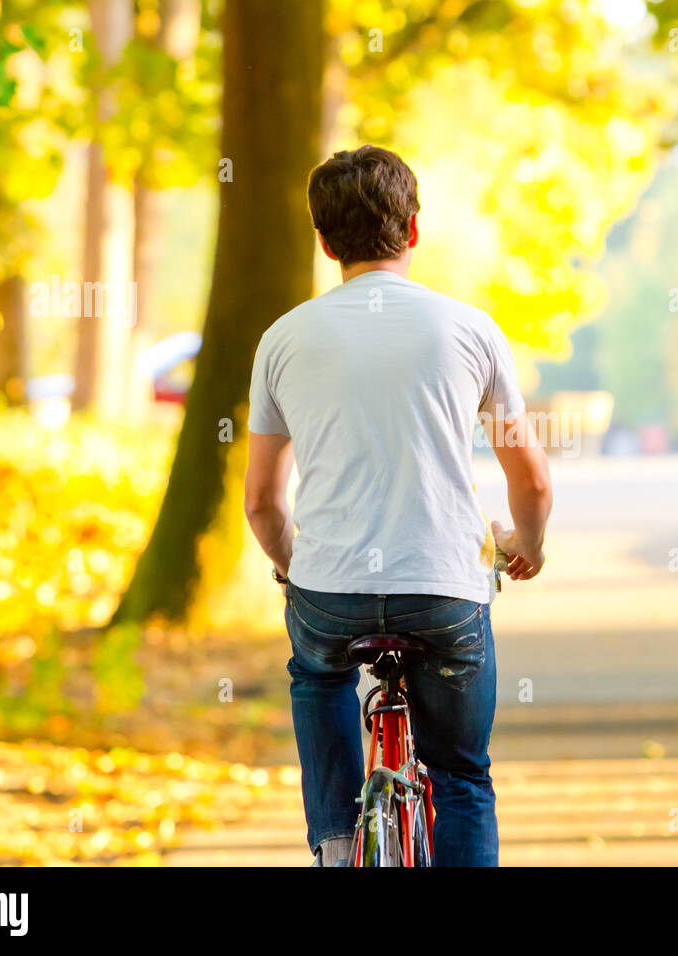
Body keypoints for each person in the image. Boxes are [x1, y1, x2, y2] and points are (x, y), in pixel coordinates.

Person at [243, 145, 553, 866]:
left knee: (316, 674)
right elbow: (531, 480)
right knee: (462, 776)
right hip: (445, 586)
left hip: (331, 590)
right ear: (413, 230)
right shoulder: (472, 331)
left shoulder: (283, 340)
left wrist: (297, 566)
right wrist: (526, 545)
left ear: (324, 243)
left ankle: (337, 838)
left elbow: (262, 502)